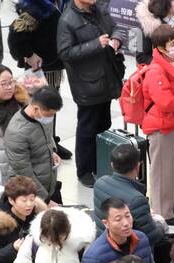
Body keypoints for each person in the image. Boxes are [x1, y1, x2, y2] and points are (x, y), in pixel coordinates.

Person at [57, 0, 123, 186]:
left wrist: (116, 39)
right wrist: (95, 44)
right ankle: (84, 170)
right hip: (87, 82)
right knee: (88, 127)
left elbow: (115, 27)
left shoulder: (99, 10)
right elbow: (64, 52)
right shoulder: (68, 19)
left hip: (106, 77)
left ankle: (99, 164)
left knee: (103, 124)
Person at [140, 24, 174, 223]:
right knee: (162, 170)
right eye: (172, 44)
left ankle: (169, 201)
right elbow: (165, 102)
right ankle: (162, 212)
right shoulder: (156, 72)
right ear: (160, 48)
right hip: (161, 125)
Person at [93, 143, 171, 263]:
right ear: (138, 166)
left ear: (112, 165)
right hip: (128, 256)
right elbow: (152, 235)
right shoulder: (136, 199)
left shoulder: (100, 183)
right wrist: (159, 222)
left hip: (103, 242)